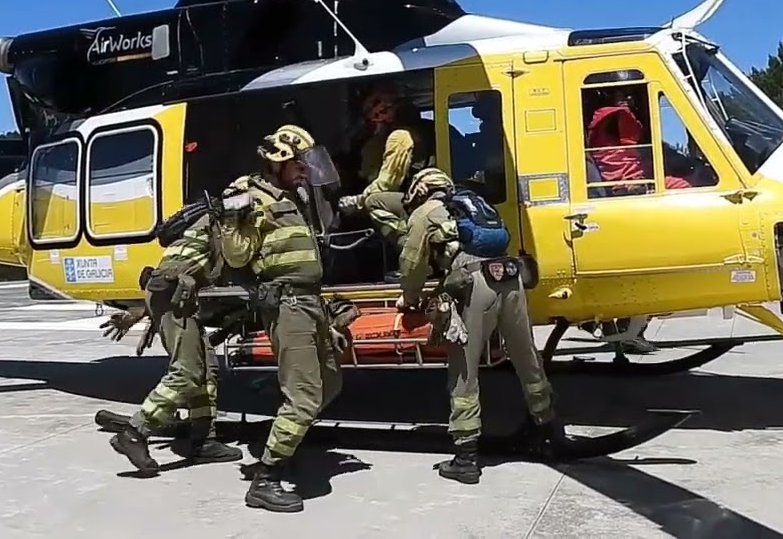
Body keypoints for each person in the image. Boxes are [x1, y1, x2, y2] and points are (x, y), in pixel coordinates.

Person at [395, 167, 565, 484]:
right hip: (510, 277)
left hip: (473, 284)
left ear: (419, 190)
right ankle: (550, 429)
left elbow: (411, 265)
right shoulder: (473, 203)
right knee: (528, 359)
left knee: (464, 371)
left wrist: (410, 298)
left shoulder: (424, 213)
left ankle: (466, 458)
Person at [219, 124, 350, 514]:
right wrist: (232, 218)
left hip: (310, 304)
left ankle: (283, 436)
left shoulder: (290, 198)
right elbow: (237, 256)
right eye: (299, 163)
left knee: (330, 382)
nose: (305, 171)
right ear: (278, 161)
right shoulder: (252, 196)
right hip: (288, 306)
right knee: (306, 396)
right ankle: (267, 477)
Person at [100, 206, 244, 474]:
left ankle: (203, 441)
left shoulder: (209, 224)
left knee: (206, 371)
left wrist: (141, 312)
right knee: (187, 373)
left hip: (176, 295)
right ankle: (134, 433)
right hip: (174, 295)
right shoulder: (226, 225)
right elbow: (176, 276)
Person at [337, 83, 436, 244]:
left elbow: (387, 185)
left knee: (374, 202)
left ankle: (410, 244)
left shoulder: (399, 137)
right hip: (435, 198)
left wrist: (356, 202)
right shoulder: (428, 127)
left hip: (424, 201)